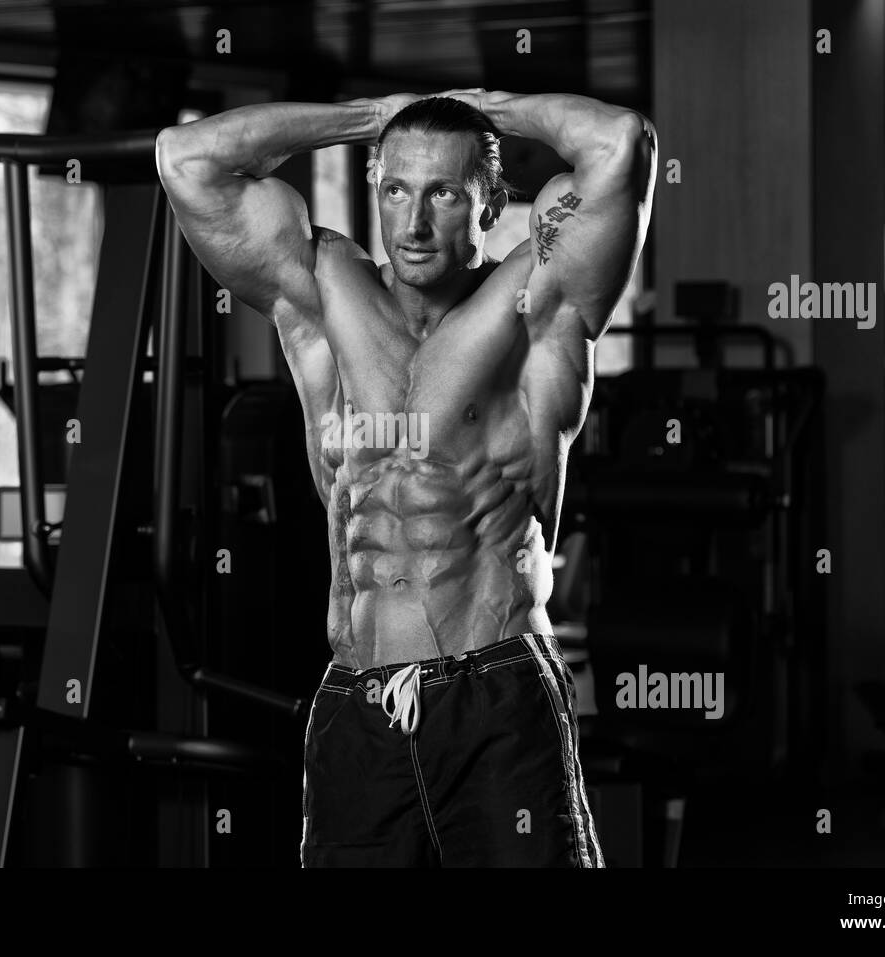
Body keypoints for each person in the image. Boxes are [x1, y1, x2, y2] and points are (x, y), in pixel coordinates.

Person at [156, 87, 656, 867]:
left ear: (490, 203)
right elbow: (187, 160)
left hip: (496, 697)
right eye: (395, 188)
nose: (415, 221)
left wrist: (480, 105)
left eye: (446, 192)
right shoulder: (323, 292)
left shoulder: (536, 301)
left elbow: (619, 142)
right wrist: (371, 115)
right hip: (358, 705)